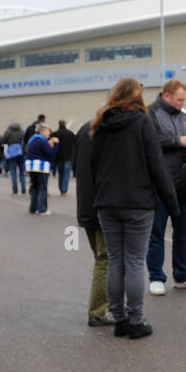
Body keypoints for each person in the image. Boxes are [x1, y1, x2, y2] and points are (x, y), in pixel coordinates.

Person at [89, 78, 180, 339]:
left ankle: (119, 319)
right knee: (135, 261)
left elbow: (92, 165)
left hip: (108, 202)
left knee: (116, 260)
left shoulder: (101, 123)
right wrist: (173, 206)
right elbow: (157, 165)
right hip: (137, 202)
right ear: (137, 96)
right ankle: (136, 321)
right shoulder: (142, 121)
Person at [147, 80, 186, 295]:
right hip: (161, 184)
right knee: (157, 232)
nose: (183, 103)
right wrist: (176, 140)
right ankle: (156, 277)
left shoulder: (185, 117)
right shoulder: (150, 114)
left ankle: (183, 274)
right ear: (166, 96)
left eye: (184, 99)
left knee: (184, 232)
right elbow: (149, 141)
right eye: (180, 99)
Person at [73, 115, 113, 328]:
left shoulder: (85, 128)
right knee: (105, 258)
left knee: (102, 257)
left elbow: (75, 165)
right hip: (103, 205)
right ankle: (98, 311)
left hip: (86, 203)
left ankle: (104, 307)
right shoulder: (108, 131)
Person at [25, 122, 58, 215]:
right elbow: (50, 153)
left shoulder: (32, 139)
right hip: (41, 167)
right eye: (48, 131)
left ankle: (33, 208)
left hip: (31, 166)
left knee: (34, 187)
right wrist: (56, 145)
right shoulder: (42, 140)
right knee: (42, 188)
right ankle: (42, 209)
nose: (49, 133)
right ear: (42, 131)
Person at [52, 120, 76, 196]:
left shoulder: (55, 133)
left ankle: (61, 189)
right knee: (66, 174)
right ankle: (64, 190)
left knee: (61, 173)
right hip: (68, 157)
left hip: (58, 157)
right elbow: (75, 143)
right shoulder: (70, 133)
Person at [2, 123, 26, 194]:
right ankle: (23, 189)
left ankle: (15, 190)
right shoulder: (22, 131)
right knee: (22, 172)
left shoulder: (8, 132)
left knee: (13, 172)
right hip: (21, 152)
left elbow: (3, 141)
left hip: (12, 153)